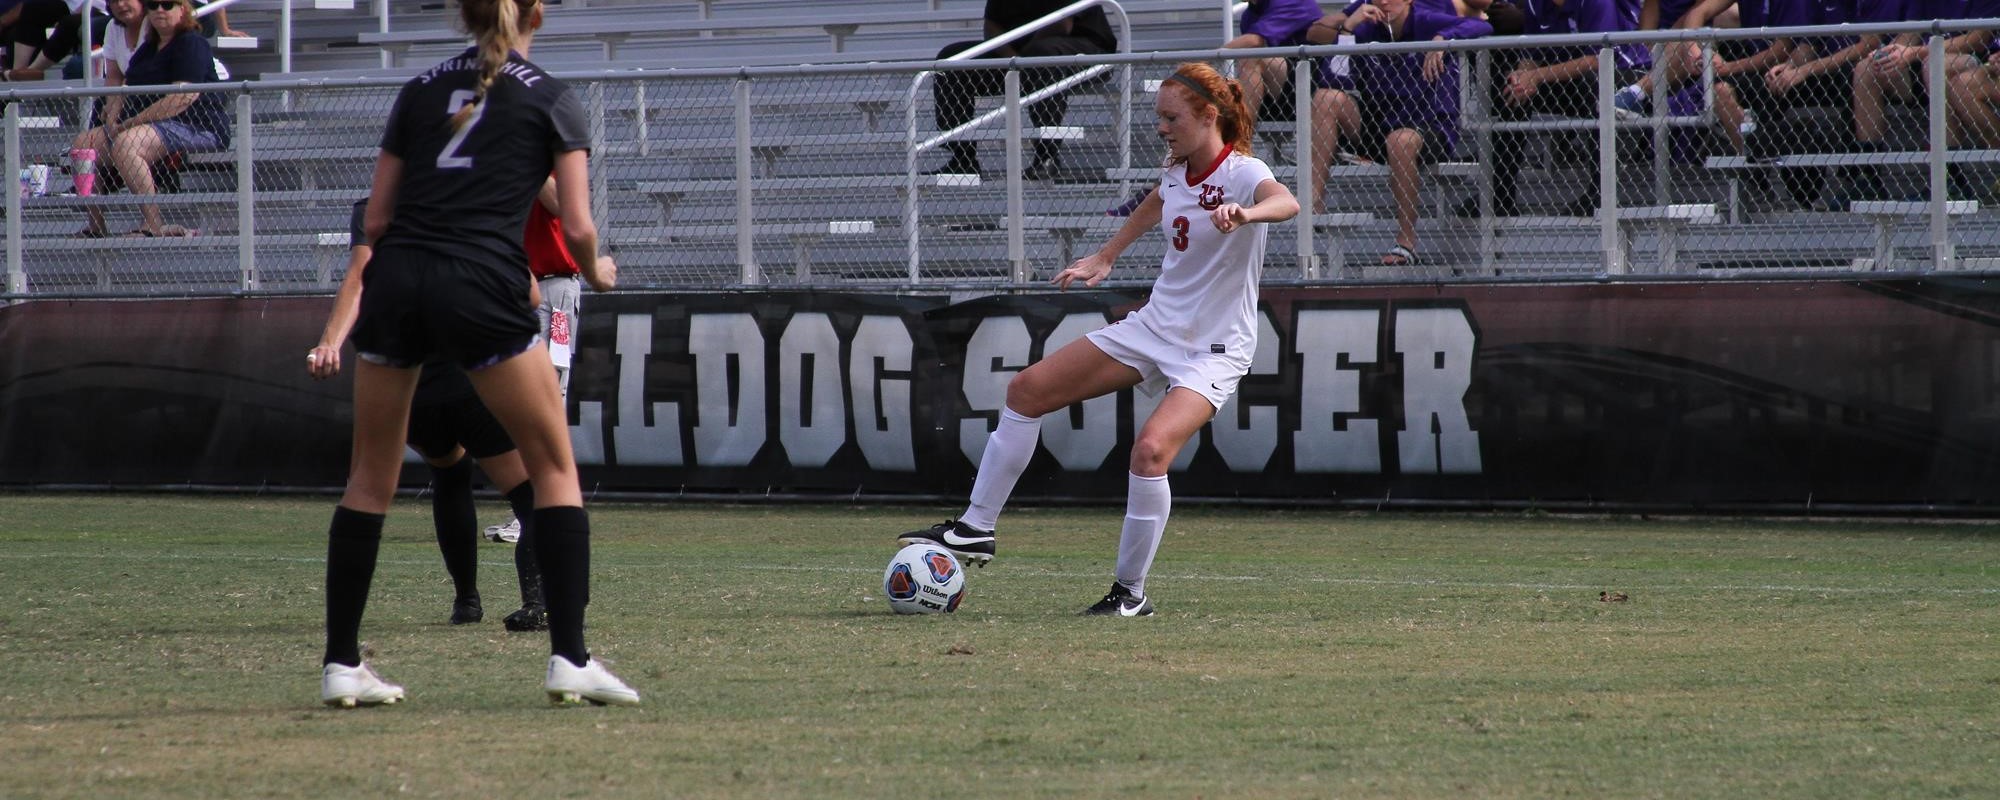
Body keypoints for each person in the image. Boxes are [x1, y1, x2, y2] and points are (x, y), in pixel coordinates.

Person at [315, 0, 629, 709]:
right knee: (552, 468)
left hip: (397, 280)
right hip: (481, 282)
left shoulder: (418, 90)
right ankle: (571, 659)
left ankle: (340, 663)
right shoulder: (549, 96)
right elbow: (575, 224)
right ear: (536, 14)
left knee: (370, 476)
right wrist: (595, 270)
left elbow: (378, 218)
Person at [900, 62, 1299, 616]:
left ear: (1209, 115)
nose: (1162, 127)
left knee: (1150, 451)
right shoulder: (1176, 170)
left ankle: (1130, 594)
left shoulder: (1242, 171)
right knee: (1026, 391)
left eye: (1171, 117)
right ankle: (975, 528)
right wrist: (1106, 257)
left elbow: (1287, 202)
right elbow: (1159, 201)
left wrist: (1248, 212)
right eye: (1159, 116)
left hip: (1216, 347)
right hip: (1155, 326)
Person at [310, 198, 554, 632]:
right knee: (532, 494)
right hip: (470, 376)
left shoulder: (375, 207)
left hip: (408, 386)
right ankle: (537, 603)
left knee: (446, 471)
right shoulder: (470, 202)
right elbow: (528, 289)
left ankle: (465, 602)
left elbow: (358, 278)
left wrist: (329, 342)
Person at [480, 173, 604, 550]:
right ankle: (532, 506)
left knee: (548, 394)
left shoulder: (546, 167)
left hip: (555, 290)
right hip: (524, 286)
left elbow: (562, 207)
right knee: (523, 397)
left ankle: (544, 508)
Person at [1455, 0, 1643, 217]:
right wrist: (1521, 78)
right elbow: (1531, 56)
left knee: (1595, 85)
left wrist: (1535, 76)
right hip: (1570, 79)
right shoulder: (1536, 4)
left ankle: (1600, 195)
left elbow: (1597, 59)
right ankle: (1499, 195)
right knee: (1511, 91)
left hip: (1625, 76)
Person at [1338, 0, 1492, 265]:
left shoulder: (1427, 20)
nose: (1385, 2)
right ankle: (1312, 212)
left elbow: (1483, 25)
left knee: (1401, 140)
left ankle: (1406, 242)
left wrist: (1443, 38)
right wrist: (1346, 31)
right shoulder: (1366, 30)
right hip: (1382, 126)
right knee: (1326, 99)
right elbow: (1336, 79)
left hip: (1431, 127)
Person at [62, 0, 226, 238]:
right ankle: (95, 225)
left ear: (183, 9)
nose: (159, 9)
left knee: (128, 144)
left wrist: (132, 122)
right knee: (83, 144)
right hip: (148, 126)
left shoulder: (192, 43)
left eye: (168, 4)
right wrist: (113, 118)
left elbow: (182, 97)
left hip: (195, 125)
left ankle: (153, 224)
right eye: (153, 4)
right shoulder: (148, 48)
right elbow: (123, 85)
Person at [928, 0, 1118, 180]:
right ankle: (963, 159)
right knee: (952, 59)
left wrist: (1024, 59)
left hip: (1082, 48)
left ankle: (1047, 157)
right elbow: (991, 26)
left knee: (1042, 56)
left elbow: (1062, 24)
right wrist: (1013, 58)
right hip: (1021, 54)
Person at [6, 0, 102, 74]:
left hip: (101, 9)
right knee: (31, 9)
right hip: (74, 4)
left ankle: (32, 71)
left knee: (69, 23)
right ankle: (17, 72)